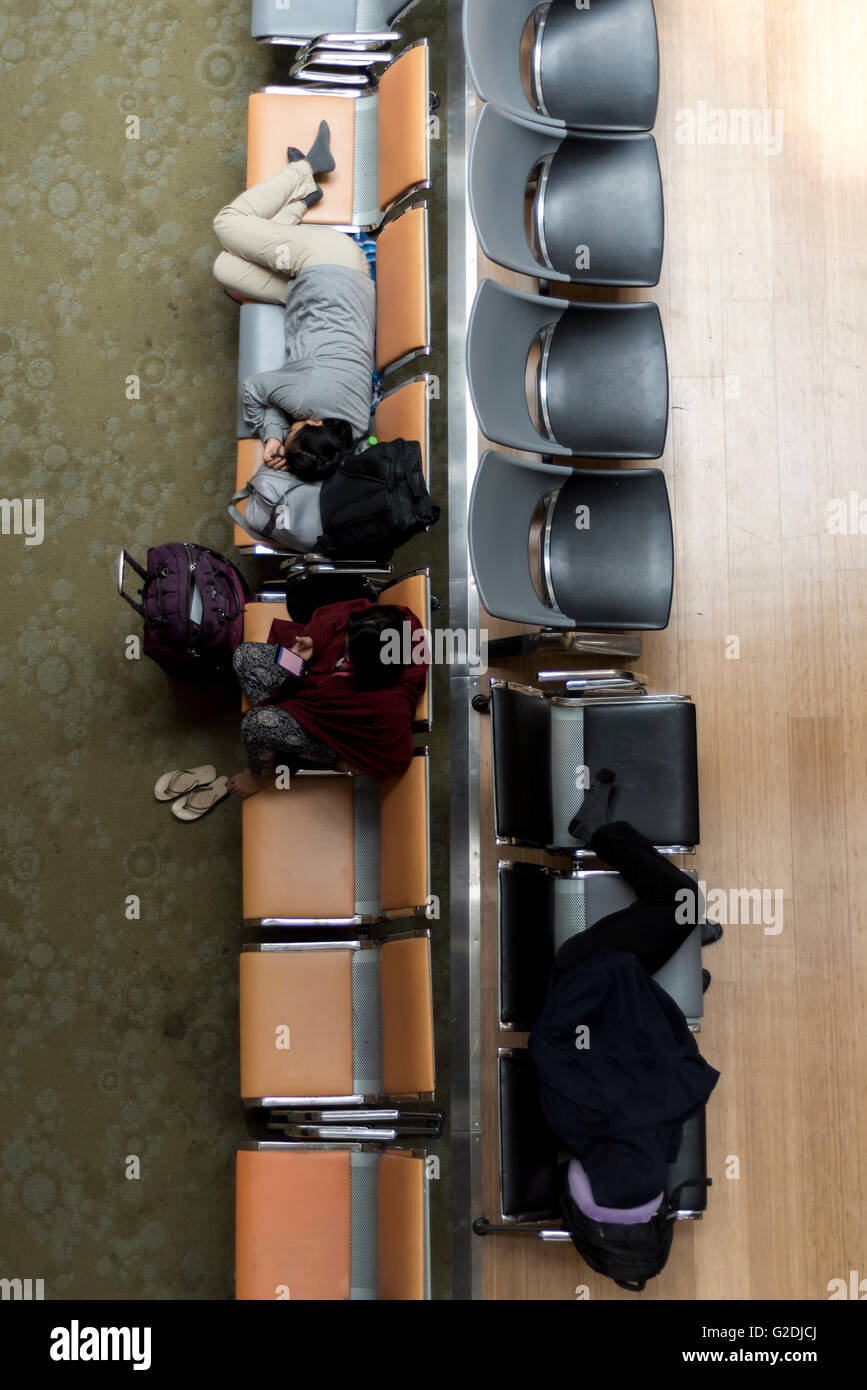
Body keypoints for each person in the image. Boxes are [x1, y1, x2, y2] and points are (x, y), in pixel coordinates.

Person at [212, 121, 375, 467]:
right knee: (227, 224)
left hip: (319, 296)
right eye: (295, 428)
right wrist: (271, 434)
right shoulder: (306, 397)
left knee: (225, 267)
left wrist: (282, 435)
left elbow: (286, 407)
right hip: (330, 264)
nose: (291, 427)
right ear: (314, 420)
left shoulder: (354, 428)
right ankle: (309, 167)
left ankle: (302, 202)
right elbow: (254, 389)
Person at [228, 599, 429, 799]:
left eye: (351, 652)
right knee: (244, 655)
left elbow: (396, 759)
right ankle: (278, 734)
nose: (345, 643)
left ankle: (261, 776)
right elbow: (342, 617)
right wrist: (316, 640)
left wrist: (348, 763)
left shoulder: (387, 704)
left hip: (329, 733)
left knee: (255, 724)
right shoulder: (395, 623)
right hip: (312, 683)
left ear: (370, 664)